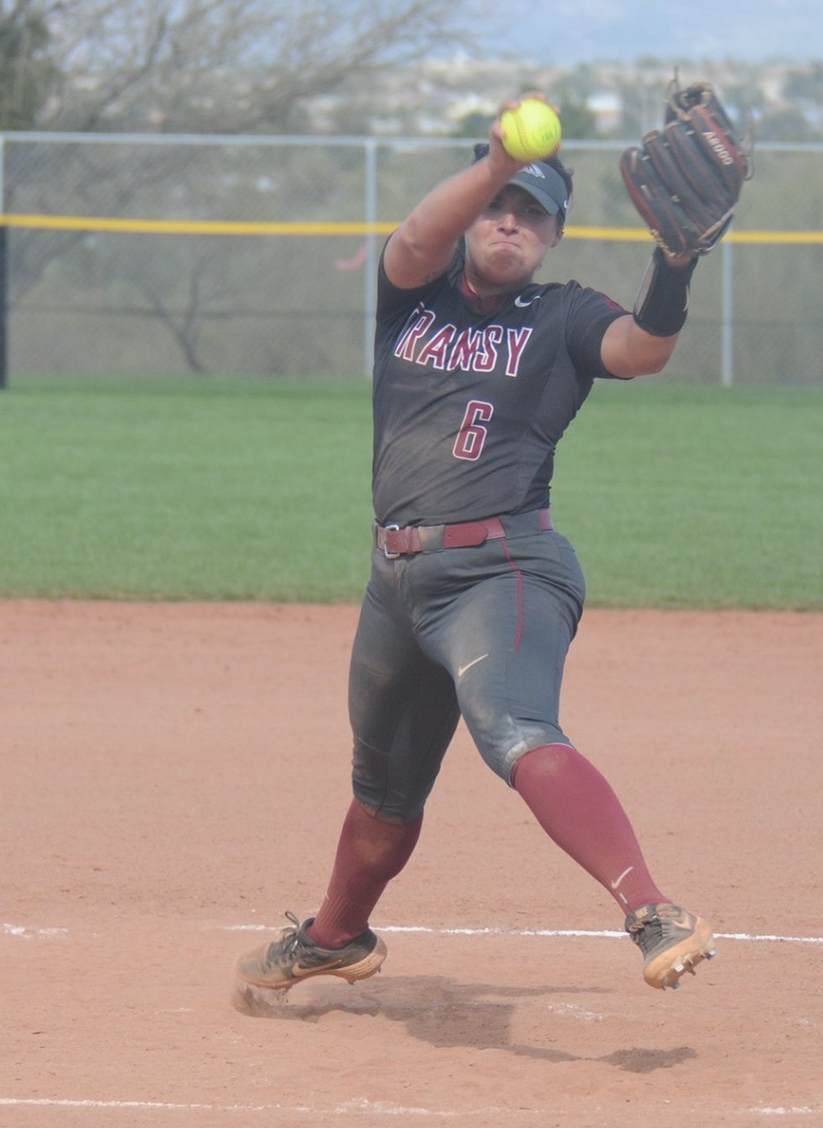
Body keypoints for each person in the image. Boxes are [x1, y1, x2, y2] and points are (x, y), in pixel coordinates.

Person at [236, 97, 720, 994]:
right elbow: (417, 237)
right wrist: (500, 164)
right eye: (500, 204)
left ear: (556, 234)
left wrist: (677, 262)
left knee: (515, 728)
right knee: (382, 795)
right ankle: (334, 935)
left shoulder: (563, 315)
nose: (510, 221)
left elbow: (642, 347)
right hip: (395, 580)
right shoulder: (411, 290)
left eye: (534, 212)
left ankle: (652, 909)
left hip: (501, 573)